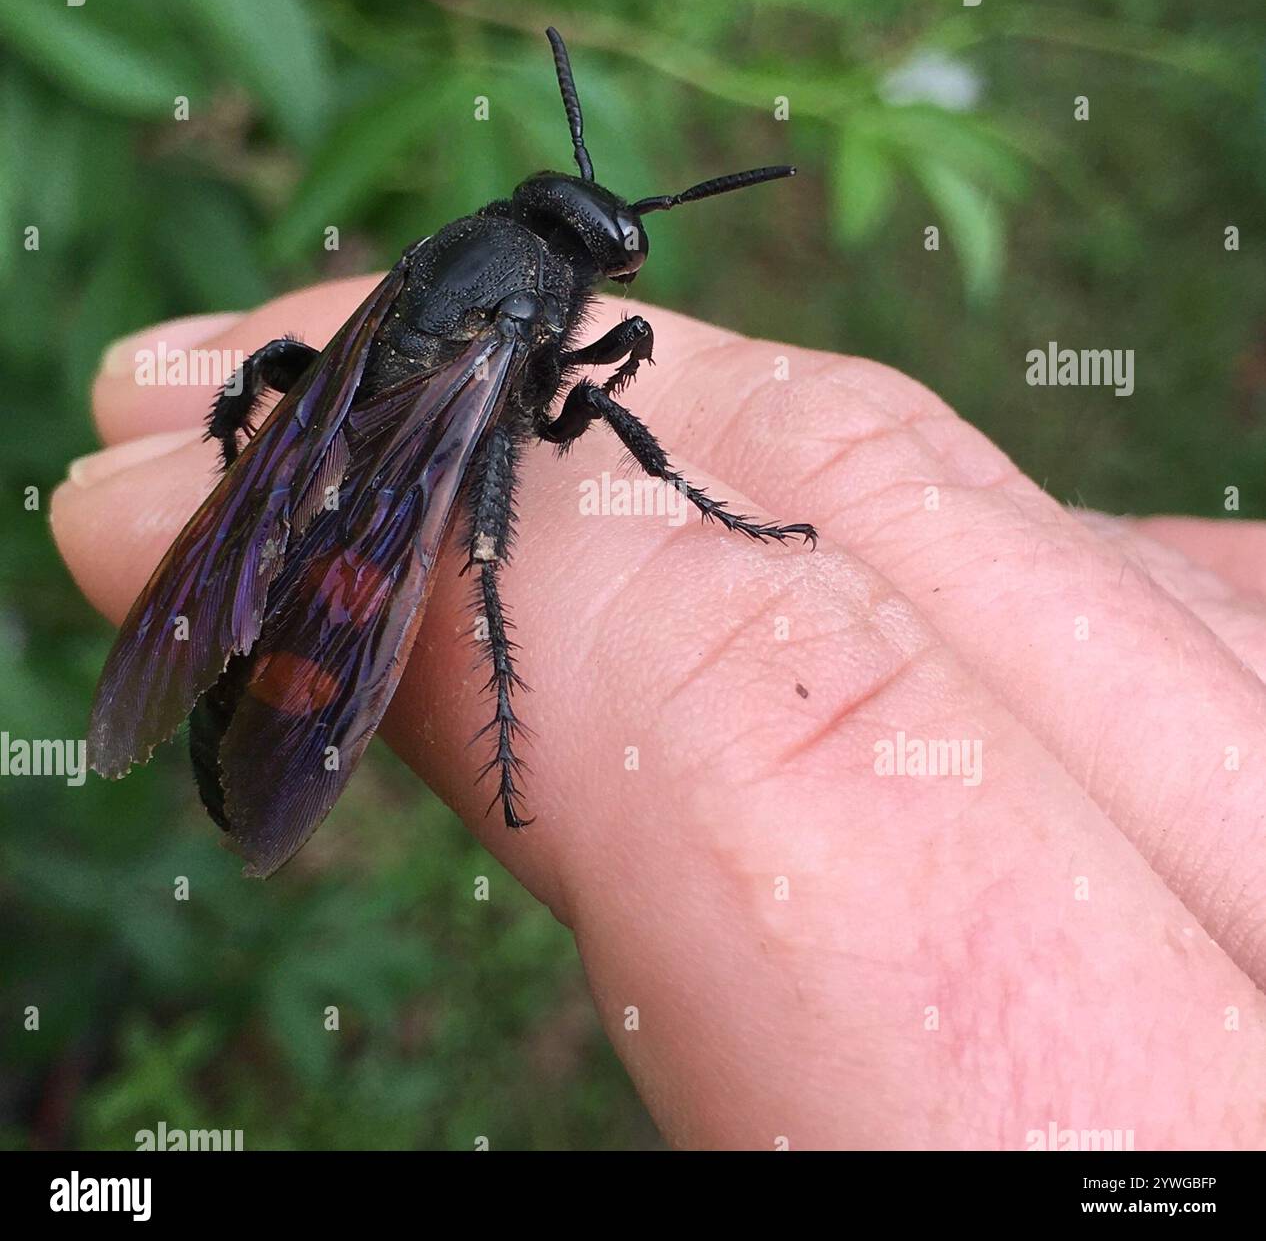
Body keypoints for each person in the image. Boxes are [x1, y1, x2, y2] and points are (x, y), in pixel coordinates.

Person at [53, 278, 1266, 1149]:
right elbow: (577, 414)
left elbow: (324, 375)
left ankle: (239, 555)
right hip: (361, 529)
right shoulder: (513, 347)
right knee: (471, 560)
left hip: (325, 471)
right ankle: (363, 638)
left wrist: (251, 504)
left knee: (288, 385)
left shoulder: (443, 294)